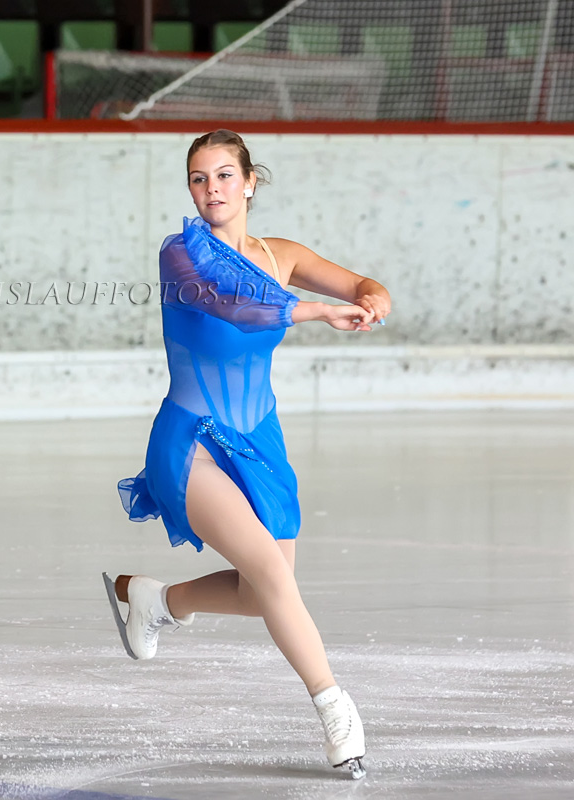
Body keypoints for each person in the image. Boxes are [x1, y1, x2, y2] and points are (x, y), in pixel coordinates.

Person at [103, 129, 391, 779]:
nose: (212, 190)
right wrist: (315, 313)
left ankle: (160, 601)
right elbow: (231, 308)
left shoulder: (281, 255)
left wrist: (374, 296)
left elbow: (362, 283)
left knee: (264, 592)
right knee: (270, 570)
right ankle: (334, 707)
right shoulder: (181, 255)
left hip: (260, 441)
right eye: (199, 179)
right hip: (192, 439)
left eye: (225, 176)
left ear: (250, 181)